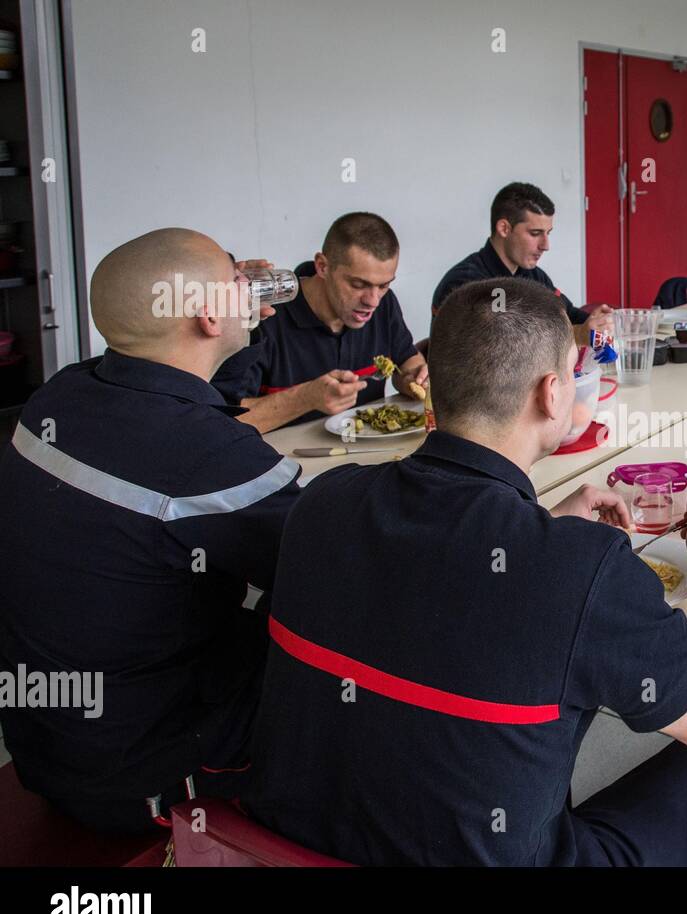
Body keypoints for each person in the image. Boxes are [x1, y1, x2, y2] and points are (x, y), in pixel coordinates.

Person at [244, 276, 687, 866]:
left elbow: (429, 586)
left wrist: (538, 529)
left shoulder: (323, 500)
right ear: (553, 394)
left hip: (285, 846)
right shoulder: (582, 568)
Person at [0, 229, 301, 834]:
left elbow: (176, 393)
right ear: (209, 315)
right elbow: (345, 564)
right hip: (140, 776)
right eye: (234, 274)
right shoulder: (213, 460)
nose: (249, 281)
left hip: (46, 741)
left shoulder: (59, 397)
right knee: (348, 641)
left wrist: (225, 324)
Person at [213, 212, 427, 433]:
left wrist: (414, 378)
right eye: (357, 284)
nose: (372, 300)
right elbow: (225, 420)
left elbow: (407, 360)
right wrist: (306, 399)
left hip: (365, 457)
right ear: (323, 266)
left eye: (383, 285)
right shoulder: (264, 316)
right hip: (281, 460)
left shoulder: (385, 304)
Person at [430, 182, 613, 348]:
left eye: (548, 233)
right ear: (504, 228)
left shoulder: (532, 274)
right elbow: (503, 347)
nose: (545, 245)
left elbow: (566, 314)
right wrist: (578, 335)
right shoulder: (466, 282)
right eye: (535, 233)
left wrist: (599, 321)